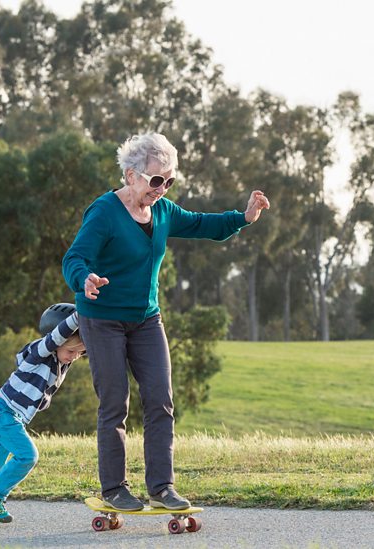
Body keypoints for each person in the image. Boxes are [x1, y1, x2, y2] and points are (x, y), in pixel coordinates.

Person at [62, 132, 270, 512]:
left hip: (146, 320)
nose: (162, 188)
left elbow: (202, 224)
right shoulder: (104, 212)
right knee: (115, 403)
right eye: (156, 180)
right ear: (131, 176)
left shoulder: (162, 212)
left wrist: (244, 218)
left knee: (160, 400)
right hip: (103, 319)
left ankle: (161, 488)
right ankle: (114, 489)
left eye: (169, 180)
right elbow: (75, 257)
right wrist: (84, 279)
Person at [0, 304, 84, 524]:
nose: (75, 357)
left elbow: (89, 344)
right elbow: (57, 336)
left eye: (80, 353)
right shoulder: (40, 352)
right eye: (71, 351)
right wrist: (82, 313)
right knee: (28, 456)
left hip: (6, 412)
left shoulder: (61, 361)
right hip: (4, 411)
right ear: (57, 342)